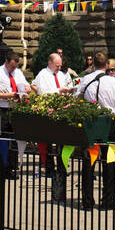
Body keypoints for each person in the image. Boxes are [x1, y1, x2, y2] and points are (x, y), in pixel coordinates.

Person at [77, 53, 115, 209]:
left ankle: (87, 201)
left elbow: (76, 97)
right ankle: (108, 201)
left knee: (89, 161)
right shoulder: (113, 82)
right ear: (106, 65)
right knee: (110, 161)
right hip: (110, 124)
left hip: (92, 123)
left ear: (94, 65)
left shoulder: (86, 79)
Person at [32, 54, 72, 203]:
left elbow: (65, 86)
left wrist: (67, 90)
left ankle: (61, 167)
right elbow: (42, 93)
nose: (60, 68)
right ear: (50, 63)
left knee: (62, 144)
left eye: (60, 65)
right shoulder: (43, 74)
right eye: (57, 65)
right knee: (48, 142)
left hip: (61, 110)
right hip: (48, 111)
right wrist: (58, 91)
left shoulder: (61, 75)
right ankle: (49, 168)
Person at [0, 50, 30, 179]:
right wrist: (8, 95)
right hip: (0, 109)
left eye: (16, 66)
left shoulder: (18, 73)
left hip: (14, 109)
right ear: (6, 62)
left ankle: (11, 168)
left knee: (13, 140)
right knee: (0, 140)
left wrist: (27, 88)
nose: (14, 69)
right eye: (12, 66)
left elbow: (25, 85)